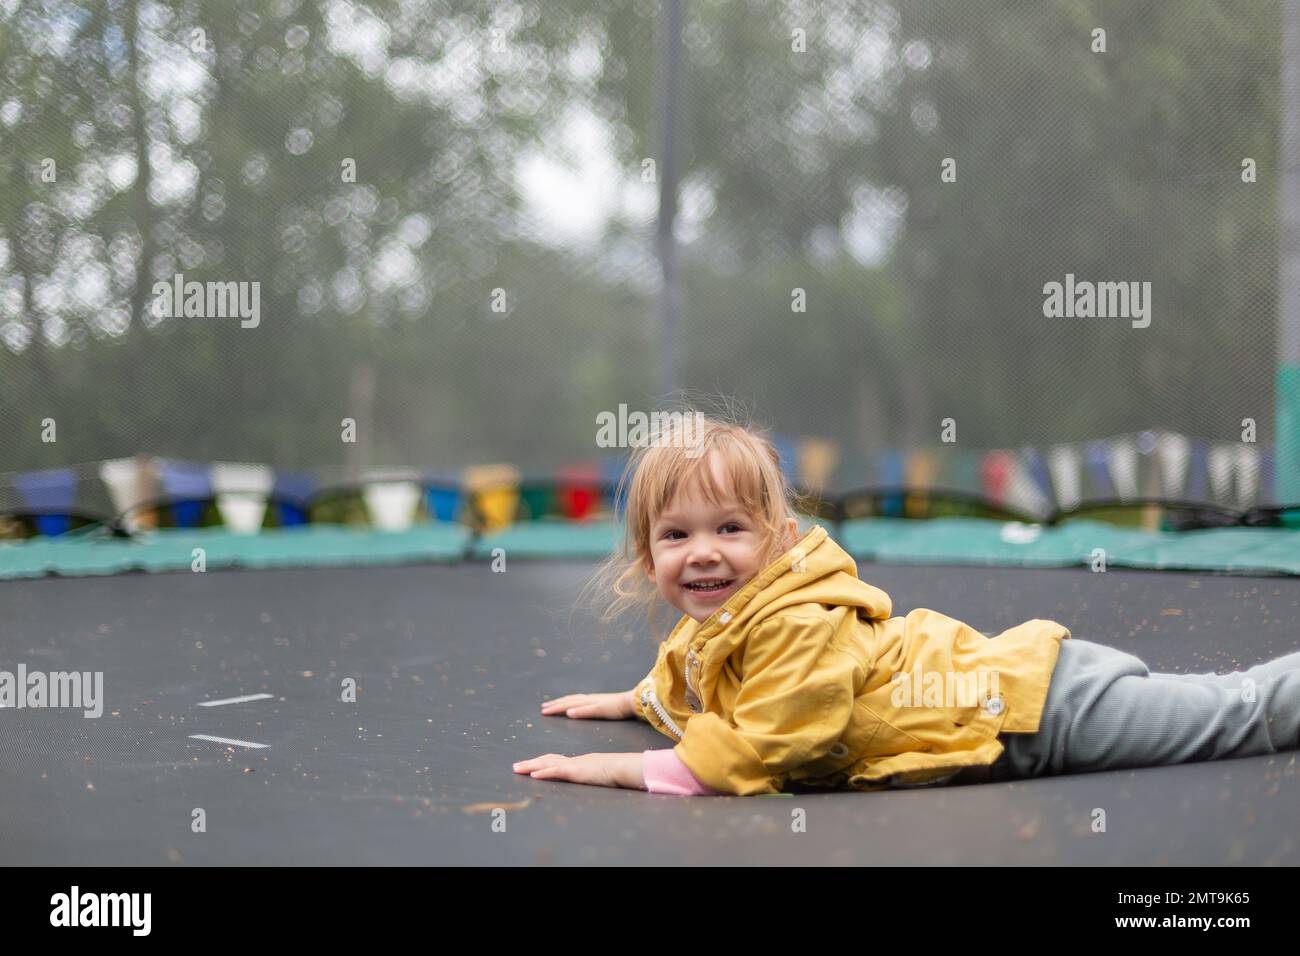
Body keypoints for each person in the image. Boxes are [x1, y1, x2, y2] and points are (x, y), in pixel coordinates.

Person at [512, 412, 1300, 796]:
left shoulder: (795, 622)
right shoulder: (718, 620)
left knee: (1240, 715)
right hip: (1009, 704)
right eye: (678, 536)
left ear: (780, 539)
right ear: (650, 559)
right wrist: (631, 699)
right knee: (1224, 707)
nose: (705, 551)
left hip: (1041, 710)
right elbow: (687, 670)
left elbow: (767, 747)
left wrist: (622, 767)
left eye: (730, 528)